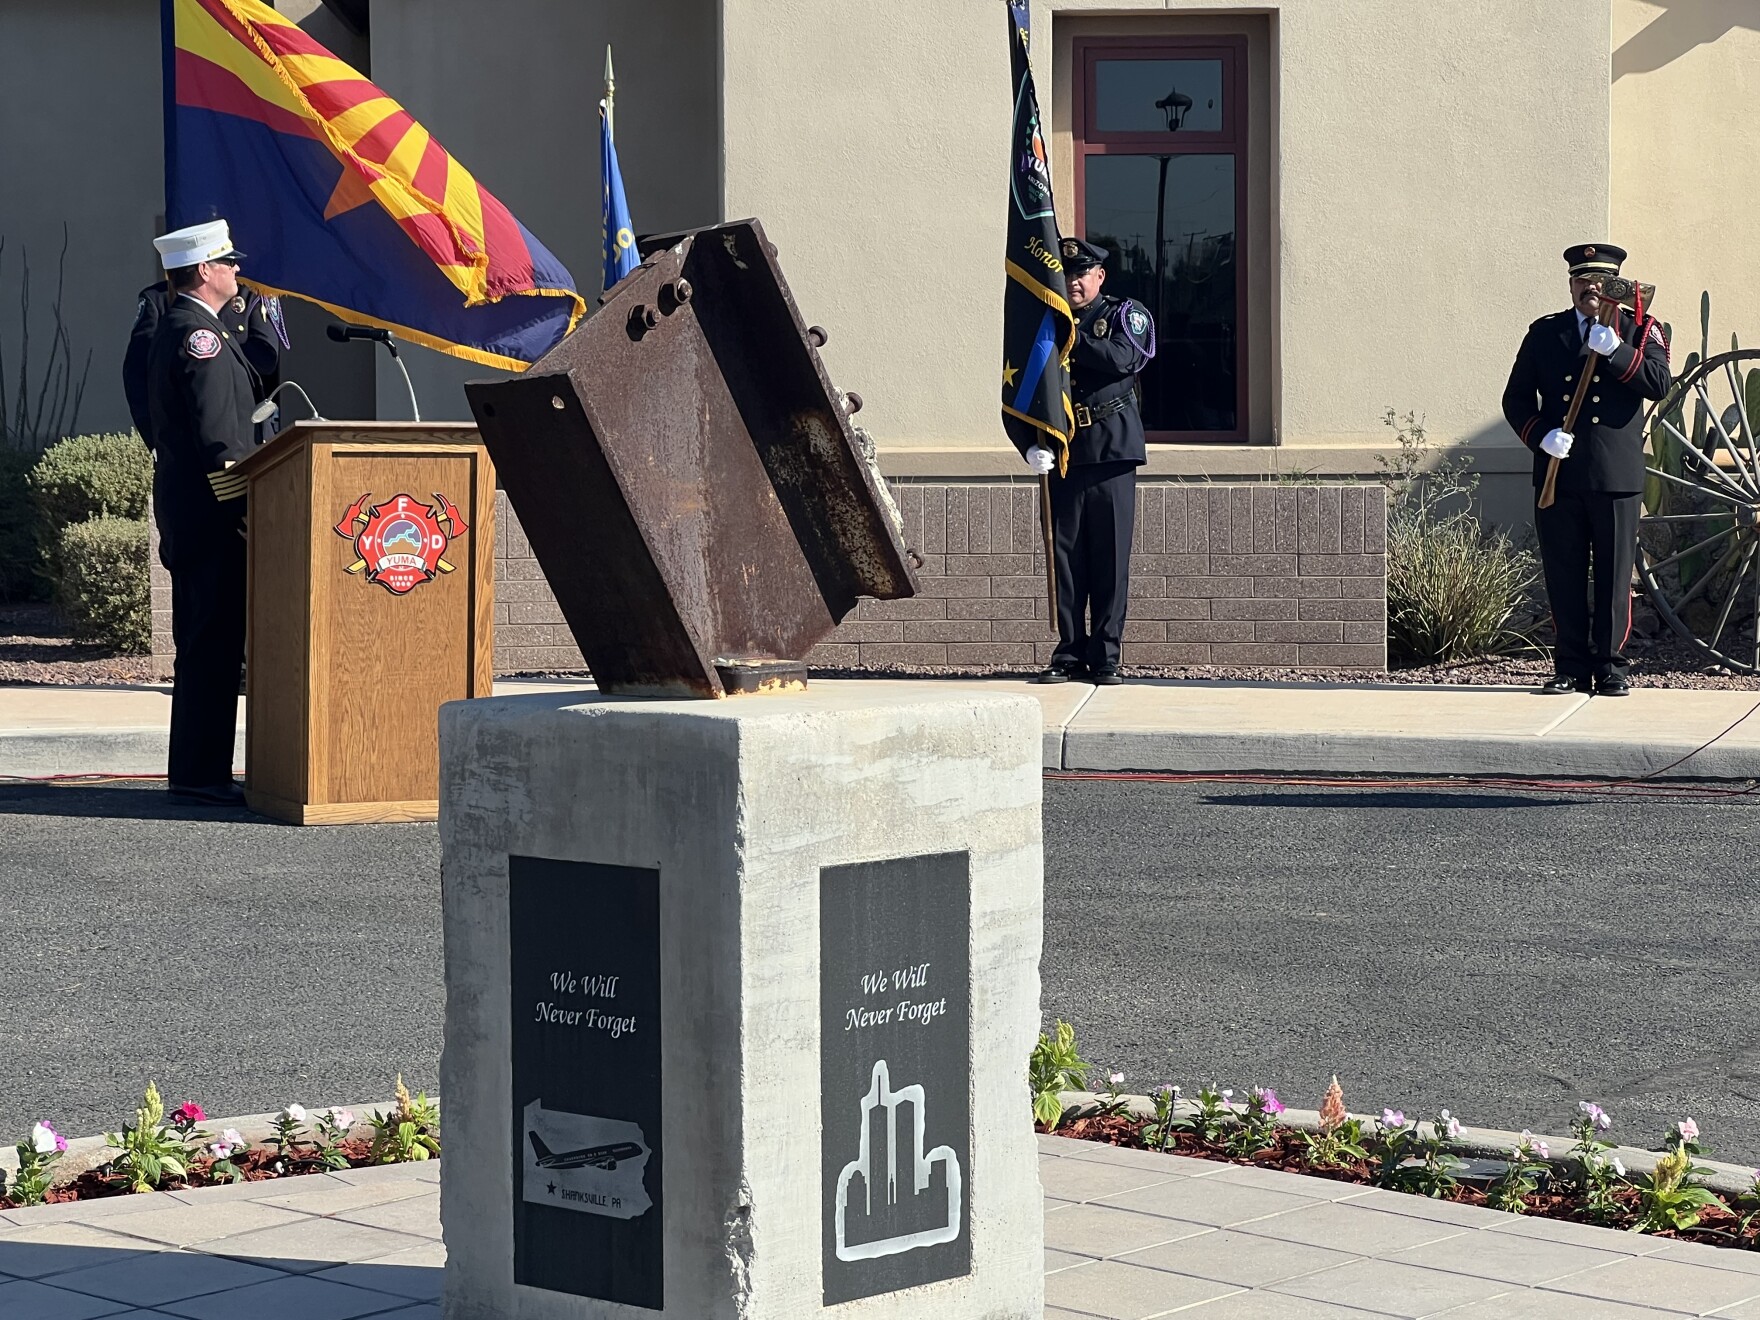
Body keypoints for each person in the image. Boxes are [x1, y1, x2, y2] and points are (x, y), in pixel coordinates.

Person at [1502, 243, 1671, 697]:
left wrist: (1617, 351)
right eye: (1581, 281)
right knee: (1565, 573)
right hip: (1560, 474)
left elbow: (1658, 384)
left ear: (1614, 285)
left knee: (1615, 578)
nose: (1589, 289)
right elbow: (1515, 400)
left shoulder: (1642, 329)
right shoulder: (1545, 333)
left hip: (1615, 475)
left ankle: (1612, 666)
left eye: (1598, 282)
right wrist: (1540, 436)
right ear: (1571, 285)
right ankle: (1571, 667)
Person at [145, 219, 260, 805]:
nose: (238, 271)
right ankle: (200, 775)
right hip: (213, 518)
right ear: (205, 271)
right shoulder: (200, 337)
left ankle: (197, 769)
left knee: (204, 643)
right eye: (230, 262)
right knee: (211, 644)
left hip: (194, 511)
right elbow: (223, 442)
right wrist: (247, 509)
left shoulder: (181, 327)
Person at [1021, 237, 1155, 685]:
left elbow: (1124, 358)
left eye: (1082, 274)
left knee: (1110, 558)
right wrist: (1026, 442)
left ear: (1100, 276)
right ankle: (1070, 653)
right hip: (1065, 451)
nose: (1074, 283)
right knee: (1067, 558)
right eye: (1068, 274)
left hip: (1112, 449)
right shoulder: (1046, 322)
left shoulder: (1122, 314)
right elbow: (1025, 385)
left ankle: (1106, 656)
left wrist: (1069, 338)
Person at [125, 275, 286, 450]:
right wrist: (156, 442)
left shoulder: (251, 293)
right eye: (228, 261)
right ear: (204, 268)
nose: (235, 267)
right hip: (185, 442)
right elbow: (137, 377)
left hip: (249, 437)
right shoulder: (158, 299)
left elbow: (266, 359)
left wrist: (216, 345)